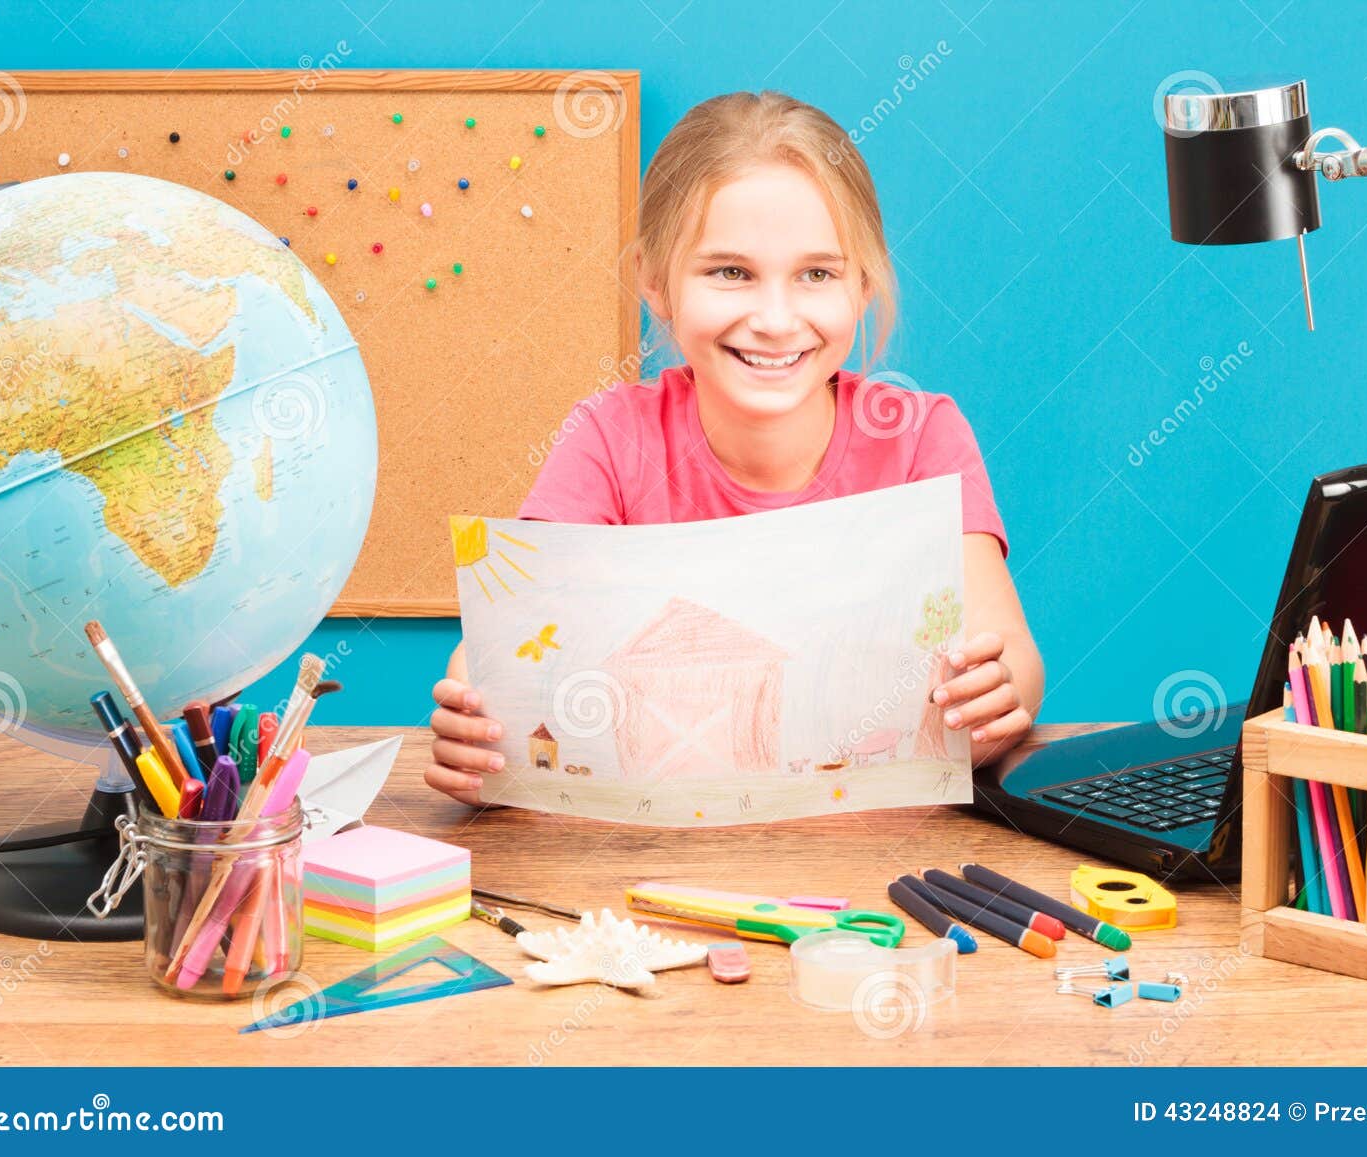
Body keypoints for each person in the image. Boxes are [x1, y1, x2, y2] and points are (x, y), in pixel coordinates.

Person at [427, 90, 1042, 806]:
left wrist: (995, 698)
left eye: (817, 274)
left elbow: (1012, 659)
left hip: (880, 847)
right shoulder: (610, 437)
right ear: (654, 281)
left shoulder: (918, 436)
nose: (775, 320)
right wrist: (477, 725)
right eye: (730, 272)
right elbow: (500, 657)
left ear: (864, 284)